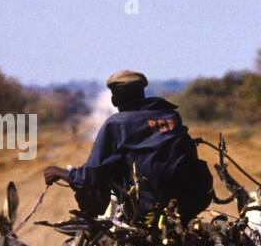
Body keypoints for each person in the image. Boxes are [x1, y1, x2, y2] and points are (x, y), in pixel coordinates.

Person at [44, 70, 214, 221]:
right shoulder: (171, 116)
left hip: (145, 211)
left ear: (114, 99)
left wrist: (60, 172)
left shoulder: (118, 124)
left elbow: (91, 176)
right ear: (142, 93)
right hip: (187, 204)